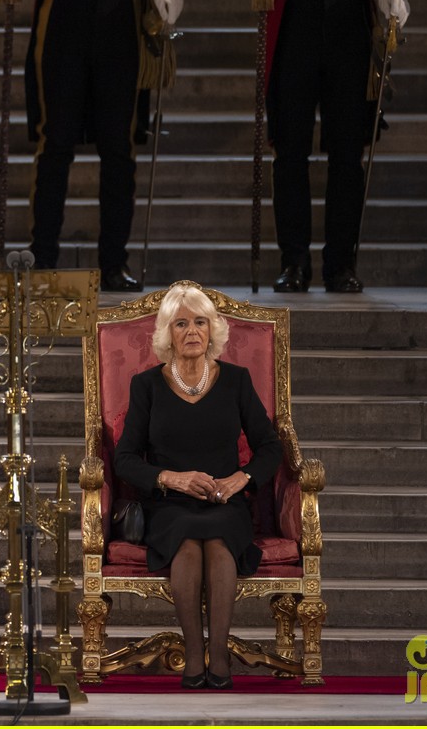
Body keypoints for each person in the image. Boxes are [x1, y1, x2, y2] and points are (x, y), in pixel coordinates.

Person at [0, 0, 192, 291]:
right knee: (55, 141)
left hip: (124, 8)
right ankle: (43, 255)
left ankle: (114, 262)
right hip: (61, 6)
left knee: (119, 144)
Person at [229, 0, 417, 293]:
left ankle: (341, 264)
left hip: (350, 21)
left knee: (348, 152)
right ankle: (293, 261)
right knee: (290, 149)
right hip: (293, 18)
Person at [113, 283, 281, 689]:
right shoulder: (147, 386)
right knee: (187, 542)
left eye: (200, 322)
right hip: (169, 504)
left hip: (226, 502)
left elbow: (270, 447)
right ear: (167, 334)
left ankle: (219, 654)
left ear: (213, 330)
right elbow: (125, 458)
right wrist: (171, 478)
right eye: (181, 323)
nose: (191, 331)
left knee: (220, 542)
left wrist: (241, 479)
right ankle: (193, 653)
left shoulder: (237, 381)